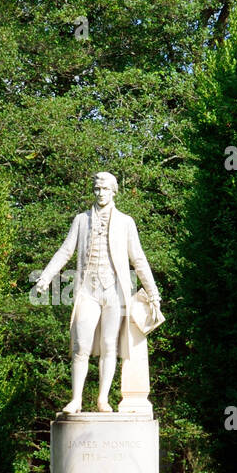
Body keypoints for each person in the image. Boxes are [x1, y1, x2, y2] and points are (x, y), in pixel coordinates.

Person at [35, 172, 162, 412]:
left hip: (115, 291)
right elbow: (65, 251)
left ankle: (103, 398)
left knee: (109, 345)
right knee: (80, 345)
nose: (100, 193)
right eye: (97, 189)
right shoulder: (81, 220)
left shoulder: (126, 222)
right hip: (88, 290)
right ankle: (76, 399)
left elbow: (139, 259)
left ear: (114, 191)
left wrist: (152, 292)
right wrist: (46, 276)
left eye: (105, 189)